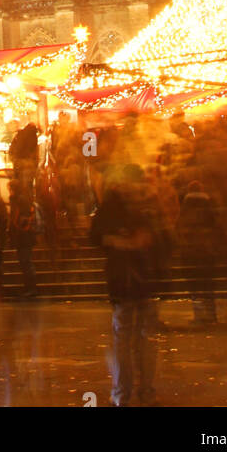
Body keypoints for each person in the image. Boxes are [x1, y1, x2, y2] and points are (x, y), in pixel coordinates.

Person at [90, 163, 159, 407]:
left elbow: (95, 236)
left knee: (127, 337)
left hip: (127, 281)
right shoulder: (142, 205)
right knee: (142, 337)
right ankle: (142, 393)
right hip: (138, 280)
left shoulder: (115, 206)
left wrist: (116, 241)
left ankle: (124, 394)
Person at [177, 180, 219, 324]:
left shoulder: (185, 208)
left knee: (194, 286)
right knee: (208, 285)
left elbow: (179, 228)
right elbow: (217, 228)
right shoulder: (209, 206)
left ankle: (199, 315)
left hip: (190, 252)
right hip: (207, 251)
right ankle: (211, 314)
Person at [8, 179, 38, 298]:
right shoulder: (21, 198)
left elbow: (21, 218)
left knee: (26, 262)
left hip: (24, 236)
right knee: (25, 262)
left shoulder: (20, 200)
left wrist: (18, 228)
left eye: (10, 188)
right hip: (23, 236)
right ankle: (29, 287)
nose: (9, 191)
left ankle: (31, 288)